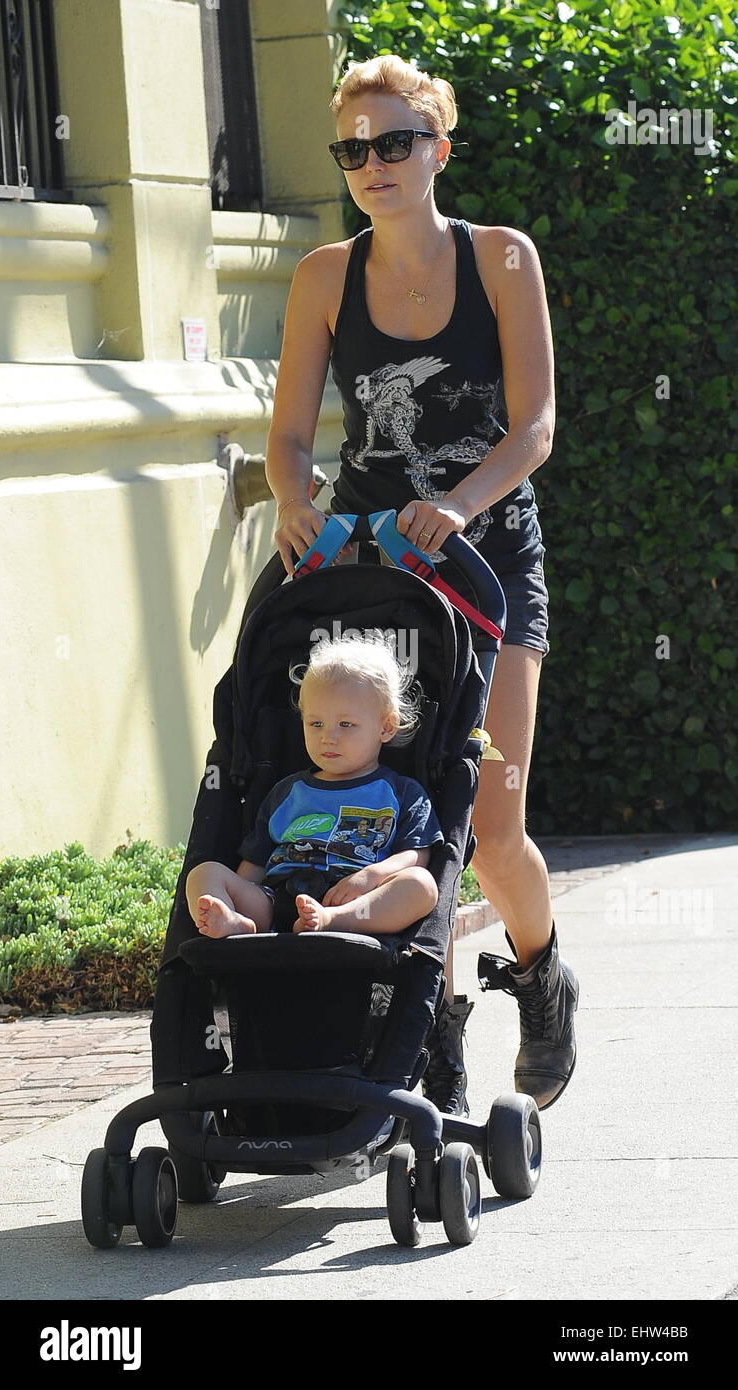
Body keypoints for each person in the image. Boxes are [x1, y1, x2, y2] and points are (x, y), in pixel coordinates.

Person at [263, 54, 578, 1115]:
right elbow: (290, 439)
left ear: (437, 147)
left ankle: (540, 974)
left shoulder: (501, 258)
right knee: (403, 819)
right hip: (374, 567)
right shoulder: (322, 275)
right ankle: (428, 1030)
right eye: (354, 149)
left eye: (395, 142)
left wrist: (462, 498)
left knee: (489, 816)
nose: (373, 164)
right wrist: (293, 495)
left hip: (487, 562)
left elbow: (534, 426)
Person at [185, 633, 442, 940]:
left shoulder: (402, 792)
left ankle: (331, 920)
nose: (327, 737)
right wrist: (240, 897)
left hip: (356, 900)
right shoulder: (286, 792)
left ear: (385, 727)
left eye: (345, 724)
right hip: (276, 900)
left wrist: (370, 876)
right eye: (315, 723)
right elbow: (254, 865)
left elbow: (417, 854)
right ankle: (241, 924)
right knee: (204, 873)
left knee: (422, 885)